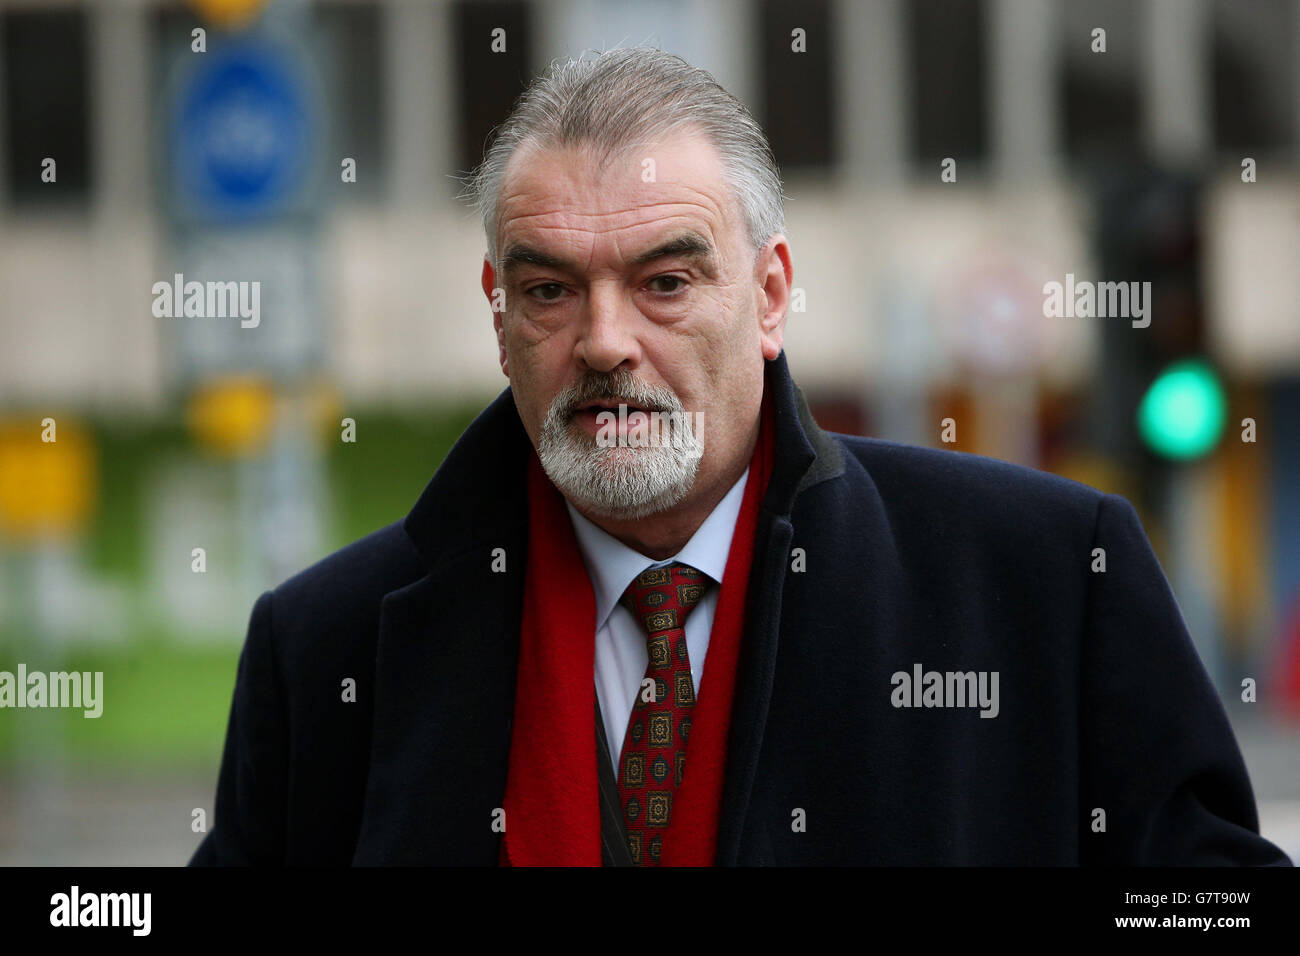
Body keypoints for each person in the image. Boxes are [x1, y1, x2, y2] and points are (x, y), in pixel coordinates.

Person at [190, 46, 1289, 867]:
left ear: (768, 295)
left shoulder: (1048, 578)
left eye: (665, 283)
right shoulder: (323, 649)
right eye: (550, 290)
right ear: (498, 311)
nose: (605, 341)